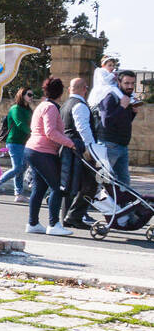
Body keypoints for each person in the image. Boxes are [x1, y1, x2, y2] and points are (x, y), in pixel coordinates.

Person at [25, 76, 74, 236]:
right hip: (43, 151)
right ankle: (54, 224)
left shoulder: (42, 106)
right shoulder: (51, 108)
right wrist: (69, 143)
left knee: (39, 188)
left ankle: (33, 223)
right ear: (60, 92)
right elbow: (50, 132)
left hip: (33, 149)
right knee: (56, 187)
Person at [60, 77, 100, 228]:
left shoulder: (65, 105)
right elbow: (83, 128)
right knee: (90, 183)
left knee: (70, 183)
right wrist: (91, 149)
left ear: (70, 89)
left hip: (68, 146)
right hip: (79, 148)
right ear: (85, 89)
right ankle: (74, 216)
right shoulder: (80, 105)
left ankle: (67, 217)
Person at [95, 69, 140, 189]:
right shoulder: (111, 97)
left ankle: (124, 205)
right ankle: (88, 204)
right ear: (119, 83)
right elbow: (107, 122)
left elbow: (122, 122)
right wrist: (122, 107)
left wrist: (132, 112)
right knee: (102, 179)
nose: (130, 86)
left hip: (122, 146)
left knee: (124, 181)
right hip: (109, 144)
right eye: (127, 83)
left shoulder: (126, 98)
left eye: (132, 83)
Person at [3, 88, 34, 201]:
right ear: (22, 95)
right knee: (17, 168)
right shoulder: (15, 108)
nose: (31, 97)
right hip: (14, 142)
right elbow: (20, 124)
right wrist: (33, 133)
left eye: (32, 95)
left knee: (22, 168)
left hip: (25, 142)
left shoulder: (29, 110)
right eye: (29, 94)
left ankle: (18, 194)